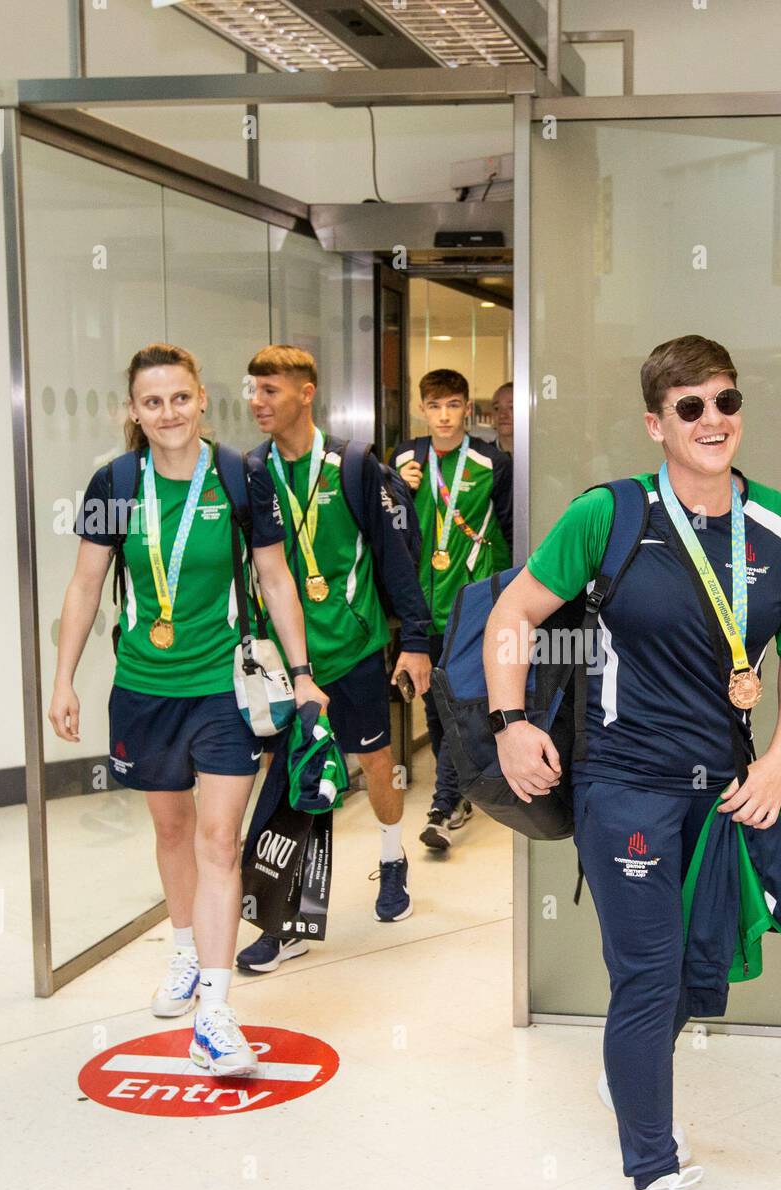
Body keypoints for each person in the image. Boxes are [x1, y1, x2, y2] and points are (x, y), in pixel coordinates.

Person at [483, 335, 781, 1190]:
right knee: (644, 978)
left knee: (688, 974)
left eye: (726, 400)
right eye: (690, 407)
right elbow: (514, 615)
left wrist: (780, 765)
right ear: (656, 424)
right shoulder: (609, 516)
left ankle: (638, 1098)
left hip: (724, 786)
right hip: (624, 786)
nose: (713, 419)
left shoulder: (780, 523)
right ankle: (652, 1180)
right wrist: (511, 721)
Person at [49, 344, 328, 1077]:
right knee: (171, 830)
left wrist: (301, 674)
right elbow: (85, 585)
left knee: (218, 840)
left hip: (222, 688)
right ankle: (182, 951)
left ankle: (216, 1008)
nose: (167, 413)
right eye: (152, 402)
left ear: (202, 399)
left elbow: (275, 578)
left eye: (179, 398)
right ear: (134, 412)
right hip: (143, 688)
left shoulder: (241, 477)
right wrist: (63, 679)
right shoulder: (115, 481)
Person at [235, 345, 433, 973]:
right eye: (253, 391)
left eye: (270, 390)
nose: (257, 402)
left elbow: (394, 557)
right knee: (288, 779)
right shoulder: (247, 471)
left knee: (376, 761)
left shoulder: (352, 465)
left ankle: (392, 858)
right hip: (285, 661)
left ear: (305, 392)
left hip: (352, 651)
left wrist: (418, 641)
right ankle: (284, 915)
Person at [391, 369, 513, 852]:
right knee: (436, 708)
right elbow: (392, 529)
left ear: (468, 409)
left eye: (454, 405)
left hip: (472, 601)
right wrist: (399, 489)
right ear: (423, 408)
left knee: (457, 699)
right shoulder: (403, 458)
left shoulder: (491, 461)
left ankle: (443, 804)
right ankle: (462, 791)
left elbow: (508, 524)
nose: (444, 415)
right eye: (435, 405)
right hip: (422, 601)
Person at [492, 380, 514, 457]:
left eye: (512, 407)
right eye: (496, 408)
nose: (502, 415)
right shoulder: (480, 458)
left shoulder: (542, 455)